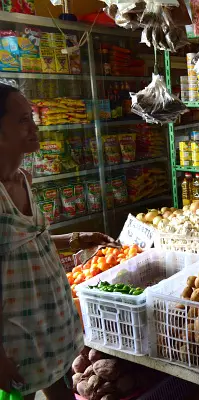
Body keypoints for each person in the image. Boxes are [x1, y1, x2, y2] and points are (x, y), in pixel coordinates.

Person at [0, 82, 114, 400]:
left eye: (32, 117)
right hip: (16, 339)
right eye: (22, 120)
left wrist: (77, 239)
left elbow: (29, 241)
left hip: (51, 327)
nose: (34, 127)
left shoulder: (23, 179)